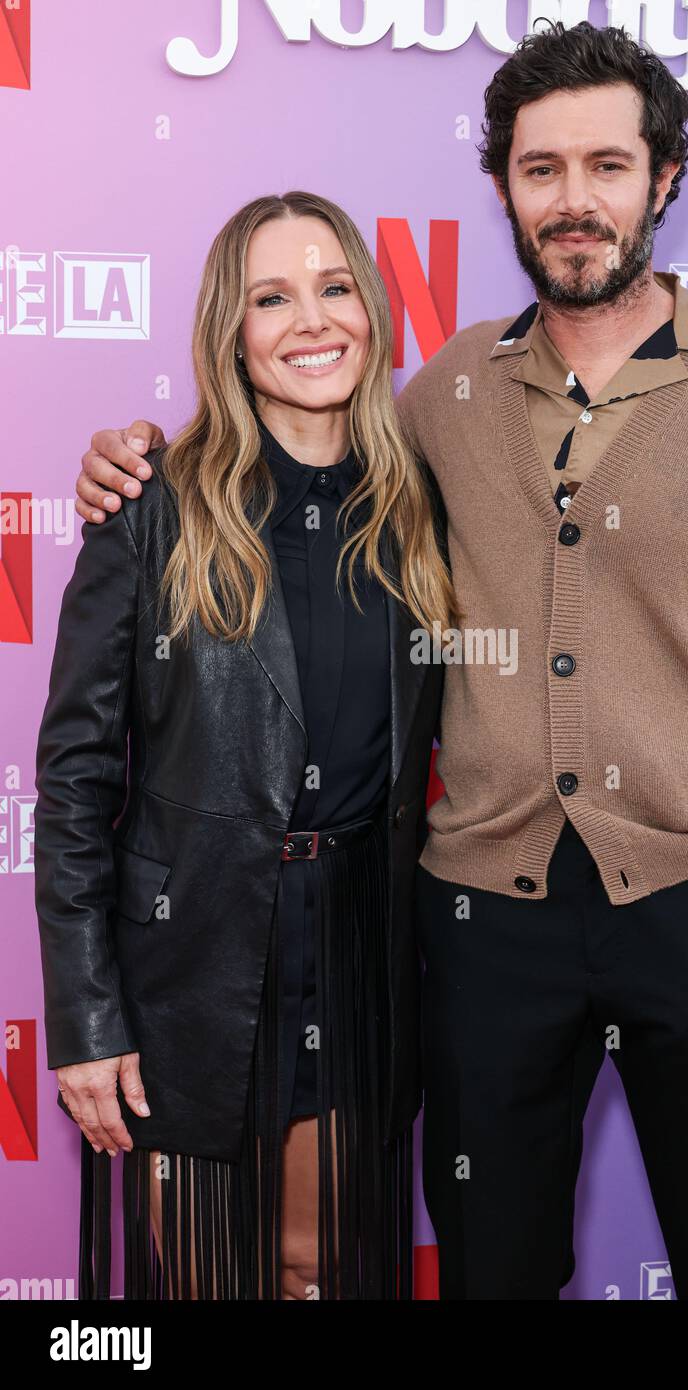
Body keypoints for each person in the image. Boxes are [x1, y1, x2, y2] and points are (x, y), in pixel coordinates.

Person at [73, 22, 688, 1300]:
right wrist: (134, 456)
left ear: (664, 178)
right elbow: (288, 464)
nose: (574, 202)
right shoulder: (445, 397)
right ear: (505, 187)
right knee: (488, 1272)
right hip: (478, 930)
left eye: (608, 166)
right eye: (539, 169)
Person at [35, 190, 454, 1300]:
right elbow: (74, 785)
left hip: (364, 956)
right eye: (272, 296)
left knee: (326, 1273)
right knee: (212, 1281)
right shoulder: (150, 507)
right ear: (231, 330)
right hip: (200, 961)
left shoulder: (419, 508)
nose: (311, 320)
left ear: (371, 307)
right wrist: (83, 1021)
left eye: (334, 287)